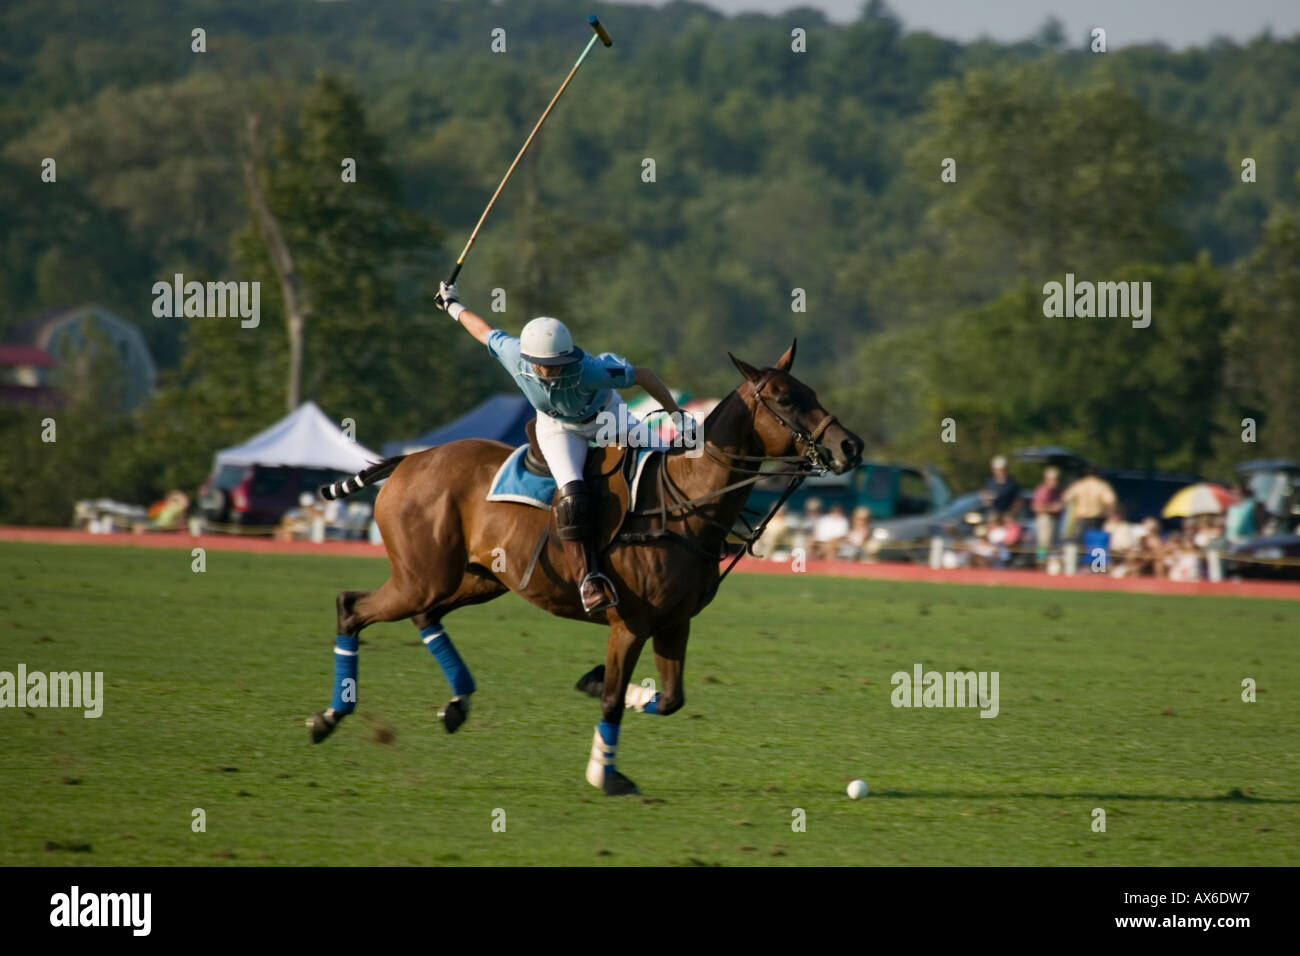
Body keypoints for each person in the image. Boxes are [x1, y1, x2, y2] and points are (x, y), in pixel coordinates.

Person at [438, 280, 679, 613]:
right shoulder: (513, 354)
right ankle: (589, 580)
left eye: (558, 364)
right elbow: (483, 331)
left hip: (606, 417)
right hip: (558, 427)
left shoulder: (591, 370)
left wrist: (676, 416)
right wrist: (452, 305)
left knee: (668, 462)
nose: (551, 372)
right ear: (528, 358)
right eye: (544, 365)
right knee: (572, 494)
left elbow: (645, 375)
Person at [1061, 467, 1116, 538]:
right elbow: (1110, 501)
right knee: (1093, 542)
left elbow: (1065, 498)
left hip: (1081, 518)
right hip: (1096, 518)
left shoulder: (1079, 484)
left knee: (1080, 541)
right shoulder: (1102, 486)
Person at [1031, 466, 1064, 562]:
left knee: (1053, 545)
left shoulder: (1057, 491)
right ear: (1046, 479)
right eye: (1052, 479)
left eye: (1056, 479)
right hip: (1045, 520)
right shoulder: (1042, 490)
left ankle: (1050, 563)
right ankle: (1041, 562)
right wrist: (1051, 508)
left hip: (1055, 520)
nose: (1054, 481)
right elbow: (1036, 507)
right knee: (1043, 543)